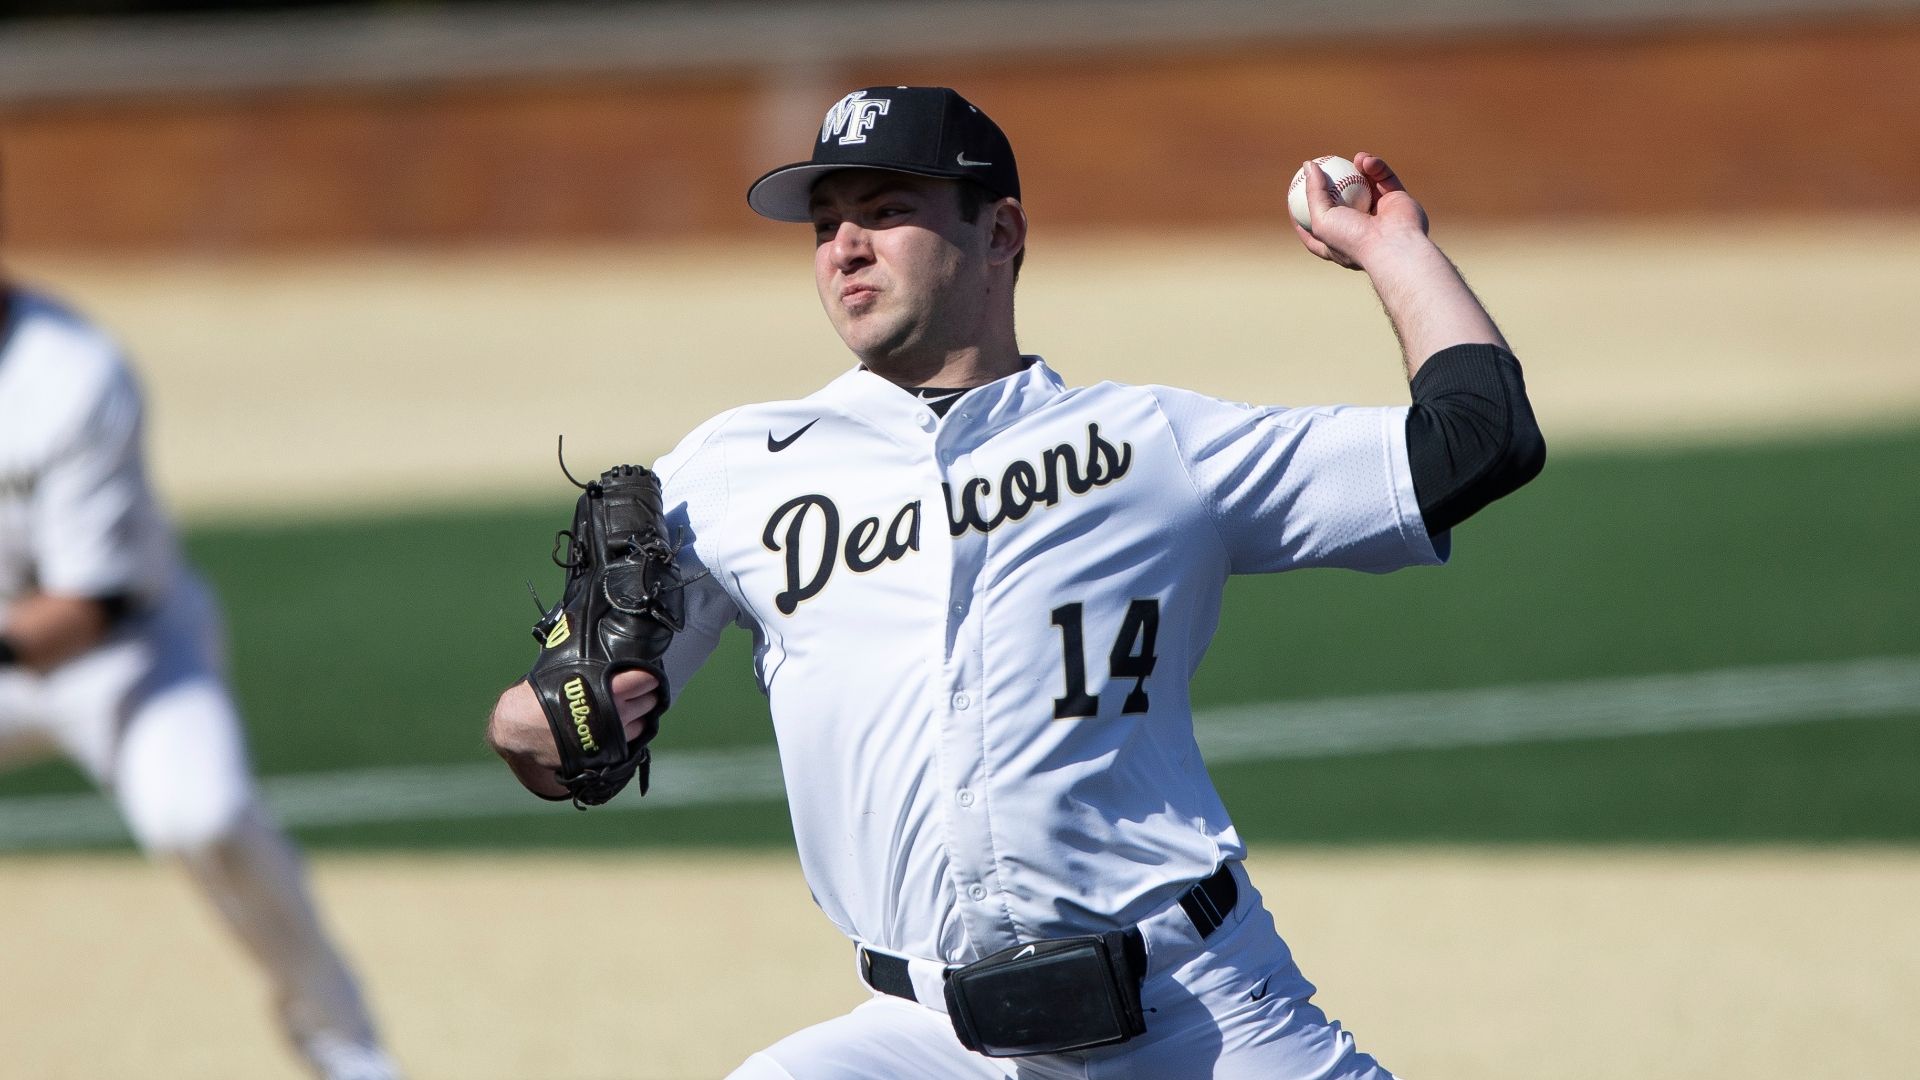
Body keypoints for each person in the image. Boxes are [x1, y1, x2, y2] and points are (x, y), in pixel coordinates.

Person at [488, 86, 1543, 1078]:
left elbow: (1476, 442)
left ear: (1000, 233)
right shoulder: (732, 471)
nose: (844, 246)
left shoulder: (1153, 445)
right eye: (825, 224)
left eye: (886, 209)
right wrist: (542, 733)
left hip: (1197, 1014)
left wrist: (1394, 247)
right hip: (923, 1036)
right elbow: (570, 719)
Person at [0, 282, 403, 1080]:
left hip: (126, 650)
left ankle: (342, 1041)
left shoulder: (71, 372)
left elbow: (87, 605)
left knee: (205, 818)